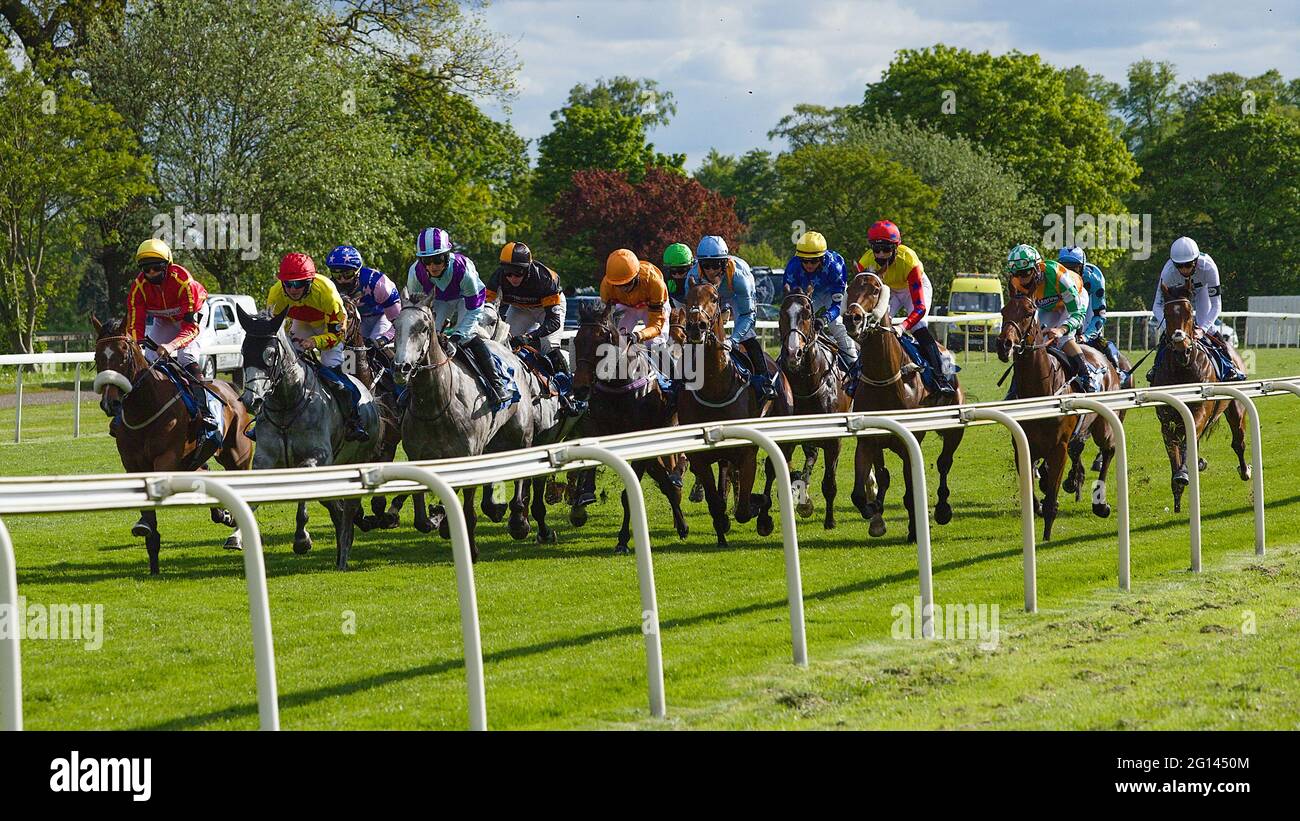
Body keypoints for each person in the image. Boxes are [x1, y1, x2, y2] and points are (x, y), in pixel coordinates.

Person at [124, 238, 222, 447]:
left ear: (167, 266)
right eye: (146, 269)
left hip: (193, 318)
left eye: (156, 268)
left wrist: (171, 346)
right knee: (149, 359)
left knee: (186, 356)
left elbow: (191, 328)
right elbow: (135, 325)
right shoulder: (138, 288)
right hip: (164, 319)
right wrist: (136, 345)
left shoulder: (184, 282)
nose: (151, 274)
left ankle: (206, 413)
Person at [265, 253, 369, 441]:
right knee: (280, 366)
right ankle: (263, 420)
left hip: (329, 326)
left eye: (298, 284)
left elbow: (338, 335)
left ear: (310, 281)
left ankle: (353, 420)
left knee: (331, 367)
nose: (293, 289)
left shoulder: (327, 292)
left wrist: (315, 342)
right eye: (288, 284)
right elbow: (273, 329)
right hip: (301, 322)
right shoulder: (276, 293)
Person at [405, 227, 511, 407]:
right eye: (426, 261)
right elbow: (416, 310)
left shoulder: (463, 270)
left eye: (437, 260)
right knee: (426, 339)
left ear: (446, 256)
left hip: (467, 300)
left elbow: (474, 308)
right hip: (438, 300)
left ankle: (496, 383)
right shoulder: (415, 273)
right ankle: (409, 389)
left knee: (467, 338)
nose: (432, 266)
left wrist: (457, 335)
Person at [854, 220, 955, 396]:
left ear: (895, 248)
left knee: (918, 328)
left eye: (886, 249)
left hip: (913, 288)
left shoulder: (909, 261)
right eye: (876, 250)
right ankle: (857, 375)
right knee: (872, 328)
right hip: (888, 289)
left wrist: (903, 327)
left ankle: (940, 378)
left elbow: (920, 307)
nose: (880, 255)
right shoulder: (865, 263)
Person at [487, 241, 581, 415]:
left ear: (528, 268)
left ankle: (568, 395)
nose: (512, 278)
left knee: (549, 345)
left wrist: (530, 337)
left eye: (518, 272)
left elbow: (553, 322)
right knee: (505, 345)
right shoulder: (497, 278)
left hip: (547, 310)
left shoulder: (544, 278)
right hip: (520, 309)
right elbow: (488, 309)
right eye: (508, 273)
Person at [685, 235, 776, 400]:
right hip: (708, 297)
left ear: (724, 263)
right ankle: (682, 380)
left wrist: (732, 340)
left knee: (747, 335)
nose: (711, 271)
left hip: (735, 295)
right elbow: (690, 311)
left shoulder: (740, 277)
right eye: (706, 265)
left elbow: (748, 315)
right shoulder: (693, 276)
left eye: (716, 265)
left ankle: (764, 379)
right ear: (700, 264)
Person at [1150, 236, 1243, 381]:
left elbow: (1216, 305)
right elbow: (1157, 305)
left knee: (1210, 330)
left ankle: (1228, 366)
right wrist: (1168, 327)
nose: (1184, 269)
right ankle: (1156, 369)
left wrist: (1203, 329)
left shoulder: (1208, 266)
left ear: (1196, 261)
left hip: (1202, 293)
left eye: (1187, 265)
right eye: (1179, 266)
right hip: (1178, 299)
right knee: (1168, 338)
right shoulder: (1168, 272)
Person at [1005, 243, 1095, 393]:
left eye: (1026, 272)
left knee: (1064, 338)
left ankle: (1086, 376)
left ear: (1037, 268)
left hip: (1073, 299)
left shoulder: (1057, 276)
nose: (1022, 279)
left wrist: (1061, 329)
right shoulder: (1016, 283)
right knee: (1032, 339)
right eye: (1017, 274)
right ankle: (1015, 387)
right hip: (1048, 306)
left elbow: (1076, 314)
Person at [783, 230, 857, 375]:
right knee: (795, 321)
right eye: (805, 260)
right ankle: (784, 360)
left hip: (831, 293)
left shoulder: (835, 267)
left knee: (836, 325)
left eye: (813, 261)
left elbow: (836, 305)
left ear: (822, 258)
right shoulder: (793, 267)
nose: (809, 264)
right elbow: (789, 301)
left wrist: (824, 318)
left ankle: (854, 367)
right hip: (808, 294)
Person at [1057, 246, 1127, 386]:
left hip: (1088, 322)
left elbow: (1099, 316)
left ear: (1082, 268)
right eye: (1065, 268)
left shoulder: (1094, 278)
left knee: (1104, 346)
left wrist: (1085, 336)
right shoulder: (1056, 277)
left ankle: (1118, 373)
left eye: (1074, 268)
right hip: (1063, 322)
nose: (1070, 273)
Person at [325, 245, 402, 343]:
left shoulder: (379, 284)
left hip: (383, 316)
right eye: (336, 275)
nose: (342, 280)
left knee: (375, 345)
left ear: (357, 272)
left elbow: (398, 322)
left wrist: (385, 339)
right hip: (358, 319)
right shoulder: (329, 286)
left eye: (347, 274)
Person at [599, 248, 672, 349]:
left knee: (655, 344)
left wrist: (639, 335)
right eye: (618, 285)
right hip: (626, 306)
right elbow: (604, 319)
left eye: (627, 283)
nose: (623, 288)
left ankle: (668, 364)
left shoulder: (655, 283)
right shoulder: (606, 286)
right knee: (618, 340)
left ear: (636, 276)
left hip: (651, 307)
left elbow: (656, 326)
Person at [662, 242, 694, 310]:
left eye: (681, 271)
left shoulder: (698, 279)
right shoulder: (663, 282)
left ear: (690, 267)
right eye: (673, 271)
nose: (677, 275)